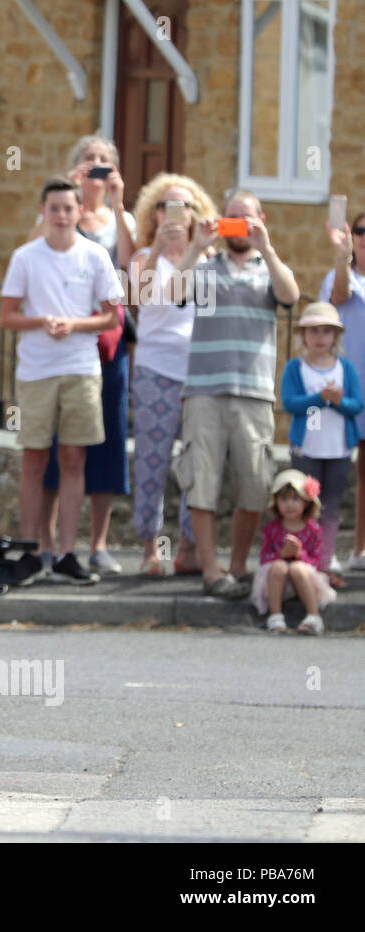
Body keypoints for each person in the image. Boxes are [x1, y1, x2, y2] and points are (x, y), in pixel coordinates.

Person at [174, 189, 300, 599]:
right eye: (231, 218)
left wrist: (268, 248)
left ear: (261, 220)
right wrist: (196, 246)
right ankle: (212, 572)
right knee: (202, 484)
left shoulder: (270, 268)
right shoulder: (206, 268)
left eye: (247, 219)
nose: (239, 227)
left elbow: (290, 296)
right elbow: (173, 293)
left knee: (254, 485)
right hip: (204, 392)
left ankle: (239, 566)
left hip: (254, 394)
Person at [0, 177, 123, 585]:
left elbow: (111, 316)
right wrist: (42, 321)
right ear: (43, 211)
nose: (61, 215)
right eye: (54, 208)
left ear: (80, 212)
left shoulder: (95, 255)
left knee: (74, 461)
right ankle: (33, 551)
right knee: (34, 461)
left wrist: (73, 324)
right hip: (36, 371)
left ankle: (68, 553)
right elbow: (7, 315)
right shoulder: (25, 257)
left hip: (81, 369)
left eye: (68, 208)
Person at [34, 136, 136, 576]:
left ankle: (97, 543)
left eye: (104, 160)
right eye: (88, 160)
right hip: (61, 341)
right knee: (56, 444)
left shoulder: (121, 218)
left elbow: (130, 266)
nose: (96, 166)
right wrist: (68, 195)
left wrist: (118, 203)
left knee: (106, 440)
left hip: (106, 341)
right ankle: (47, 542)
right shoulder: (59, 212)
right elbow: (32, 251)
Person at [126, 173, 217, 577]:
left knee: (196, 462)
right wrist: (160, 248)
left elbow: (210, 313)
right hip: (156, 370)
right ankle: (150, 548)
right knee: (152, 460)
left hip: (198, 372)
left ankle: (187, 547)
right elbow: (143, 299)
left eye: (184, 206)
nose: (175, 214)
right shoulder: (143, 257)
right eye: (166, 206)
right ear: (155, 213)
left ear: (196, 214)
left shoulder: (208, 260)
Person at [280, 302, 362, 588]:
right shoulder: (295, 367)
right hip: (307, 450)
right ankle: (303, 554)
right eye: (313, 331)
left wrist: (338, 401)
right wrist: (320, 398)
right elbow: (290, 402)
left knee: (332, 505)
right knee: (304, 504)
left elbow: (356, 404)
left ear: (335, 336)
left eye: (326, 331)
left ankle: (326, 556)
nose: (319, 337)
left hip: (338, 449)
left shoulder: (345, 367)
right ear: (303, 335)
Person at [319, 208, 365, 570]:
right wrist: (343, 256)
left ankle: (360, 551)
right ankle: (323, 551)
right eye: (361, 231)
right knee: (331, 468)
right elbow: (339, 295)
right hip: (342, 387)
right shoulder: (341, 275)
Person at [252, 470, 335, 635]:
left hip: (306, 580)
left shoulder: (313, 529)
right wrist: (281, 554)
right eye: (284, 499)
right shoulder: (271, 529)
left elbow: (316, 562)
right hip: (276, 581)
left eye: (295, 499)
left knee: (297, 568)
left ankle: (314, 616)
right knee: (278, 566)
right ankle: (275, 616)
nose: (289, 504)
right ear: (276, 502)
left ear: (306, 502)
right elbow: (264, 558)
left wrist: (299, 555)